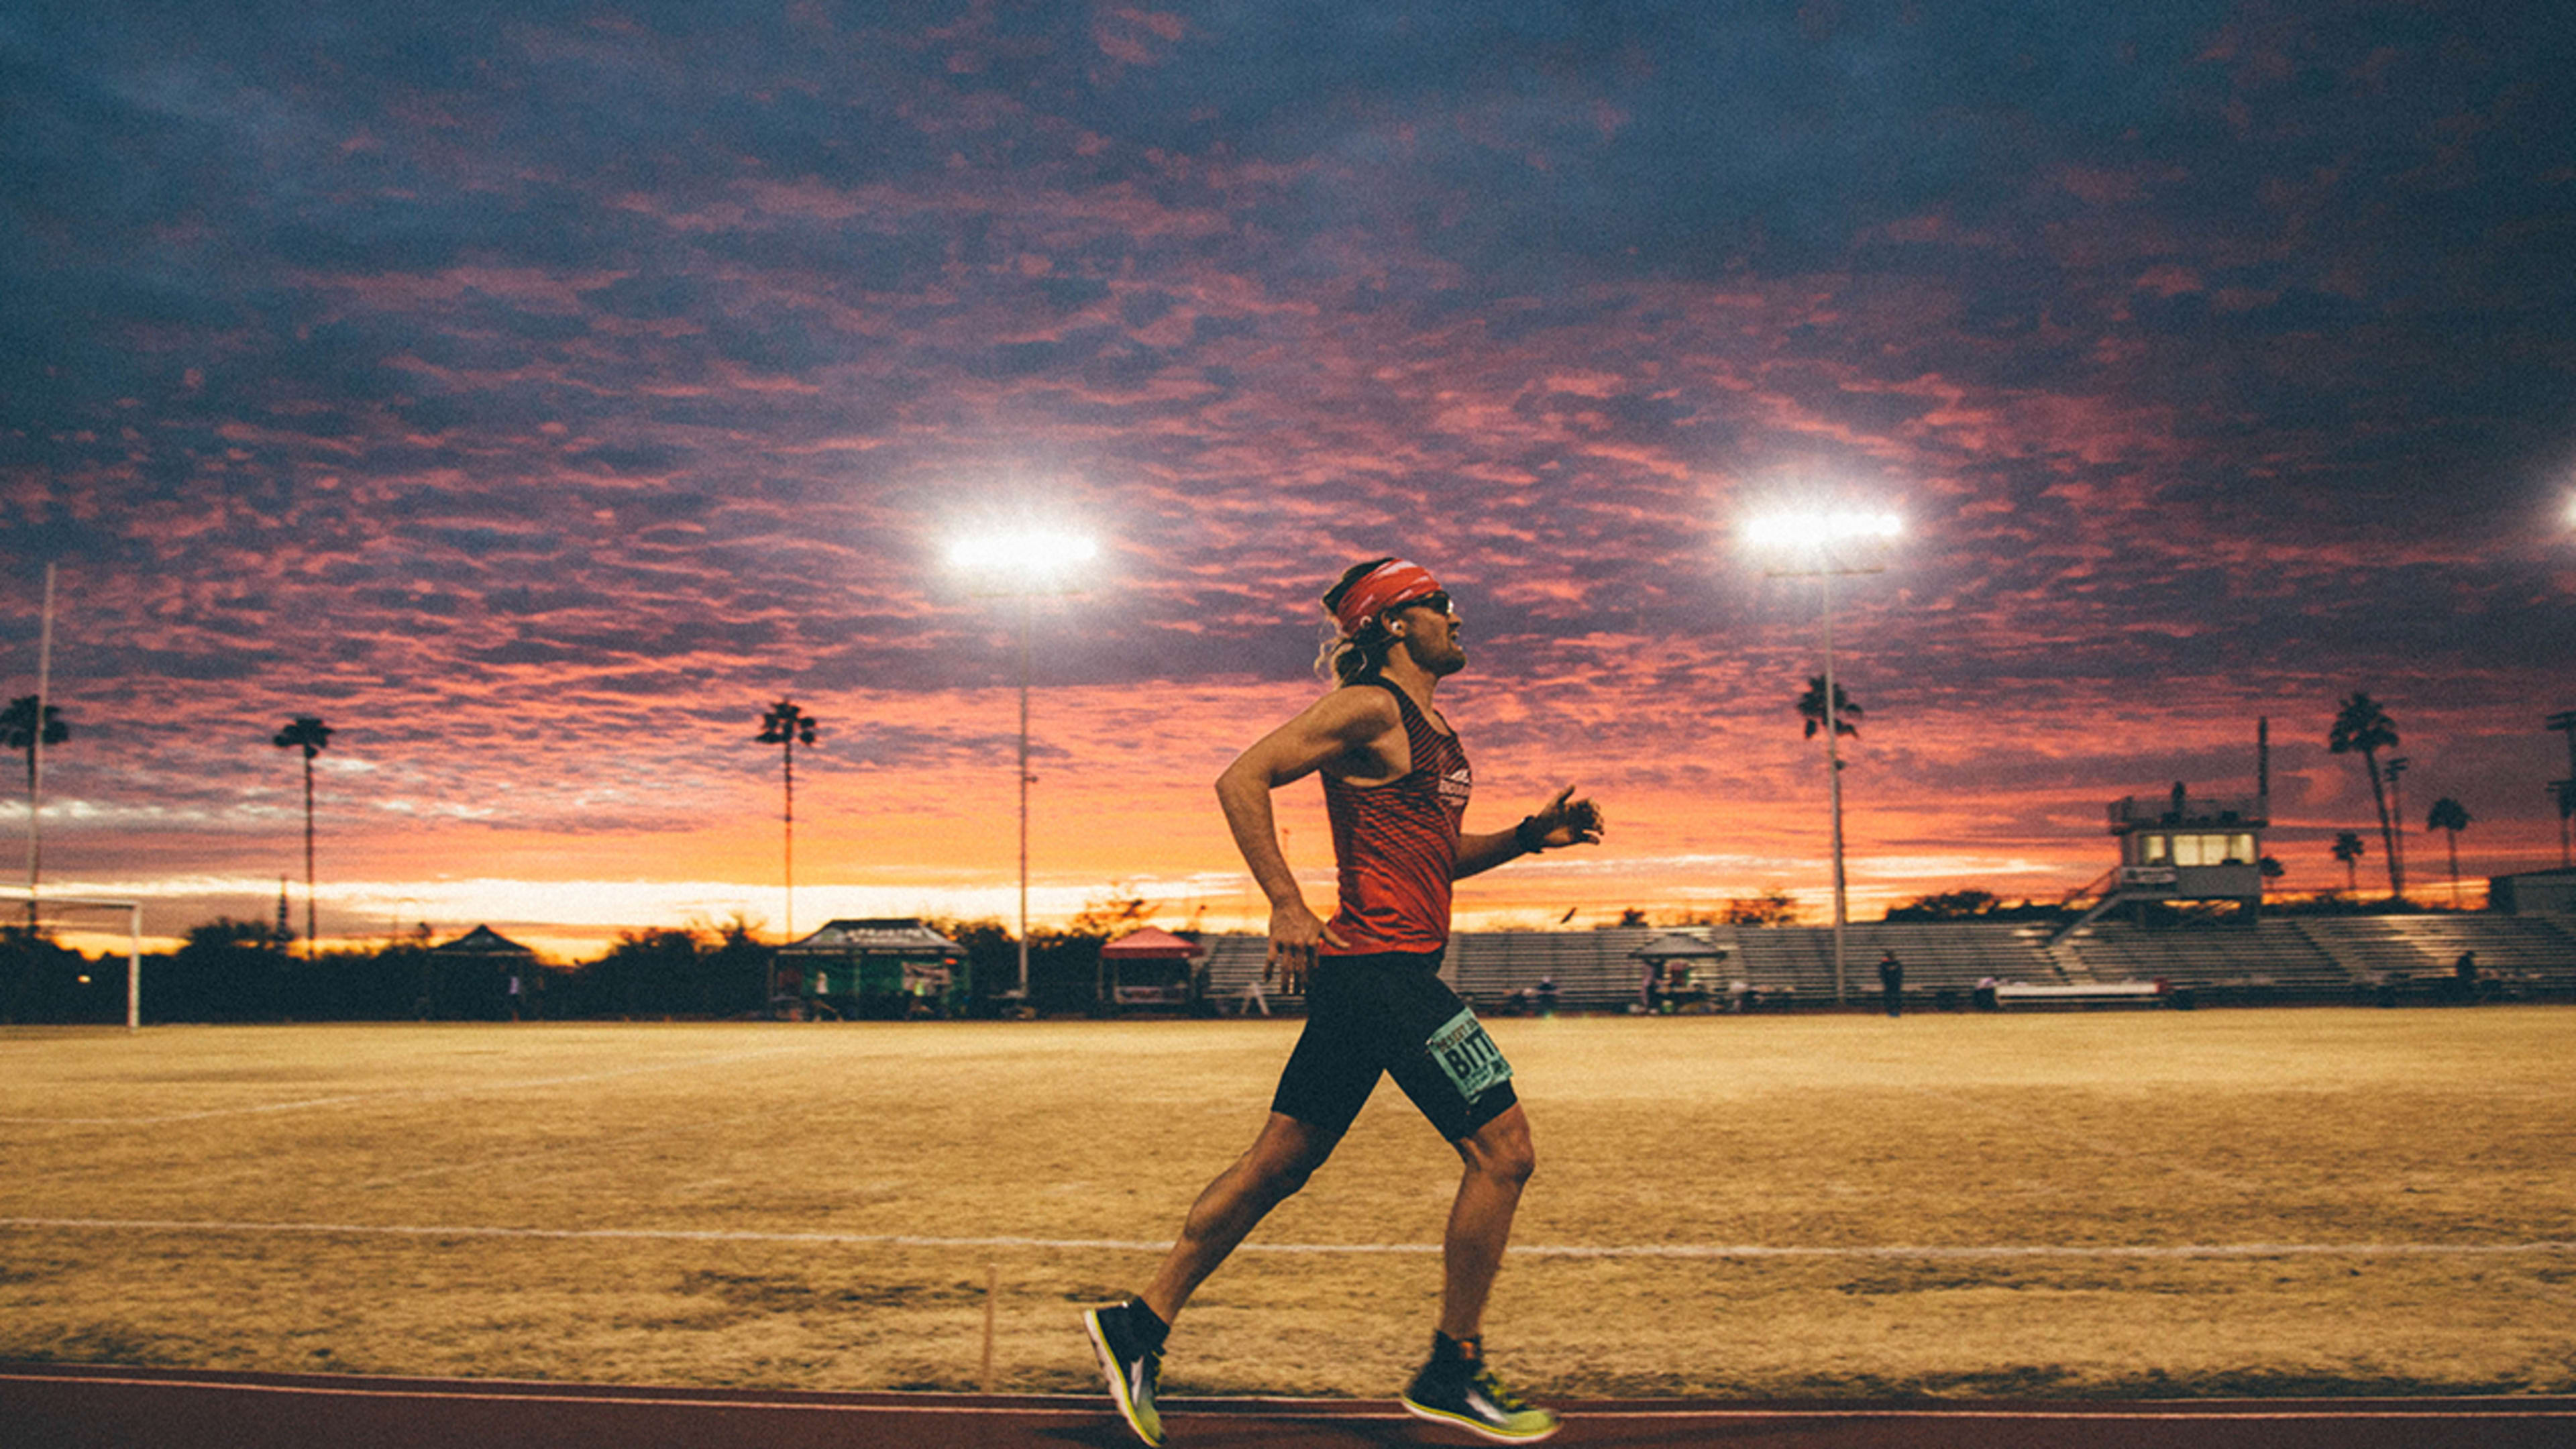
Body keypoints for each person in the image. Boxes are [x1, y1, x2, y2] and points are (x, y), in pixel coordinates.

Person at [1083, 557, 1603, 1447]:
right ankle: (1453, 1365)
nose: (1457, 615)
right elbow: (1240, 778)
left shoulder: (1436, 732)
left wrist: (1525, 838)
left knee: (1277, 1165)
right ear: (1396, 624)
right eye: (1440, 603)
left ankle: (1138, 1325)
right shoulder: (1371, 707)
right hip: (1383, 976)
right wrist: (1286, 901)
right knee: (1504, 1155)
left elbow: (1437, 855)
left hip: (1372, 977)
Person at [1877, 949, 1904, 1017]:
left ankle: (1895, 1011)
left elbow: (1882, 974)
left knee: (1894, 998)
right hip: (1891, 984)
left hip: (1892, 984)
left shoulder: (1886, 964)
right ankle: (1891, 1011)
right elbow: (1882, 974)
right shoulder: (1895, 964)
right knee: (1890, 998)